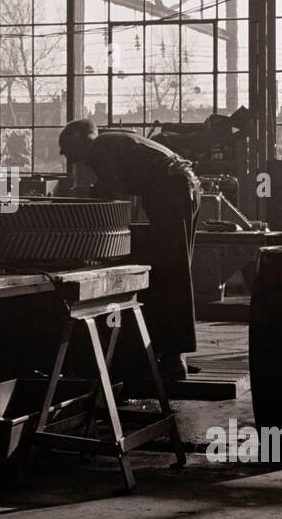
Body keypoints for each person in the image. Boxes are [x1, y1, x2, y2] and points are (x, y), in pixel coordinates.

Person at [58, 119, 201, 384]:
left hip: (172, 190)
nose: (63, 154)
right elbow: (113, 188)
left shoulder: (100, 148)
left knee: (171, 272)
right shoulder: (113, 142)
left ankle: (174, 358)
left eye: (65, 146)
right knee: (173, 270)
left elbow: (111, 198)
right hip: (181, 186)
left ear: (80, 138)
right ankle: (169, 355)